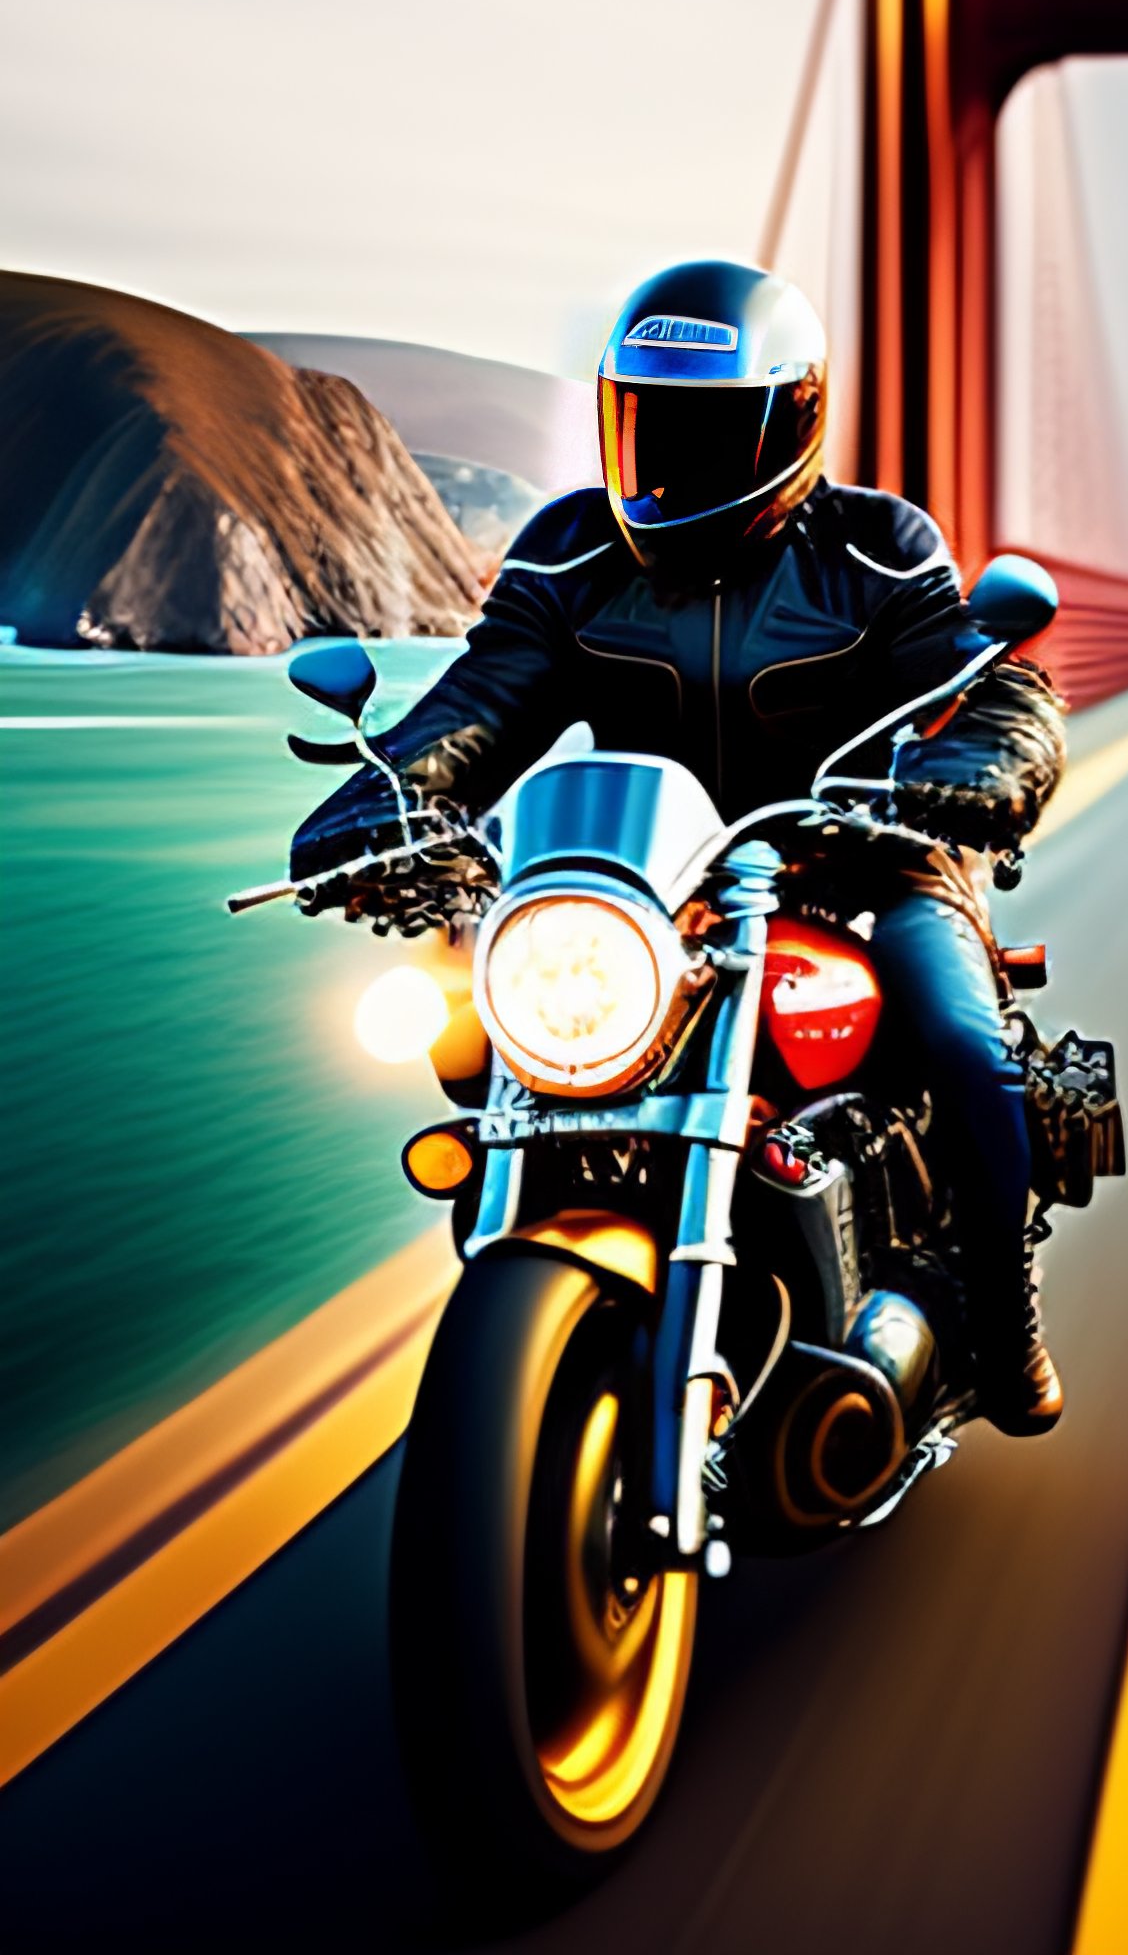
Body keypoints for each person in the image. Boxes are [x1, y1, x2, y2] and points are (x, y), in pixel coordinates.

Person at [290, 257, 1068, 1434]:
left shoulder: (873, 550)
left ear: (784, 423)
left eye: (701, 430)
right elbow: (481, 701)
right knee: (474, 1009)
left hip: (862, 862)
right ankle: (540, 1284)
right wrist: (387, 798)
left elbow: (989, 683)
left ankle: (1004, 1322)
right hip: (648, 882)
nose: (662, 458)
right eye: (642, 421)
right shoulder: (567, 555)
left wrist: (981, 767)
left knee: (962, 1045)